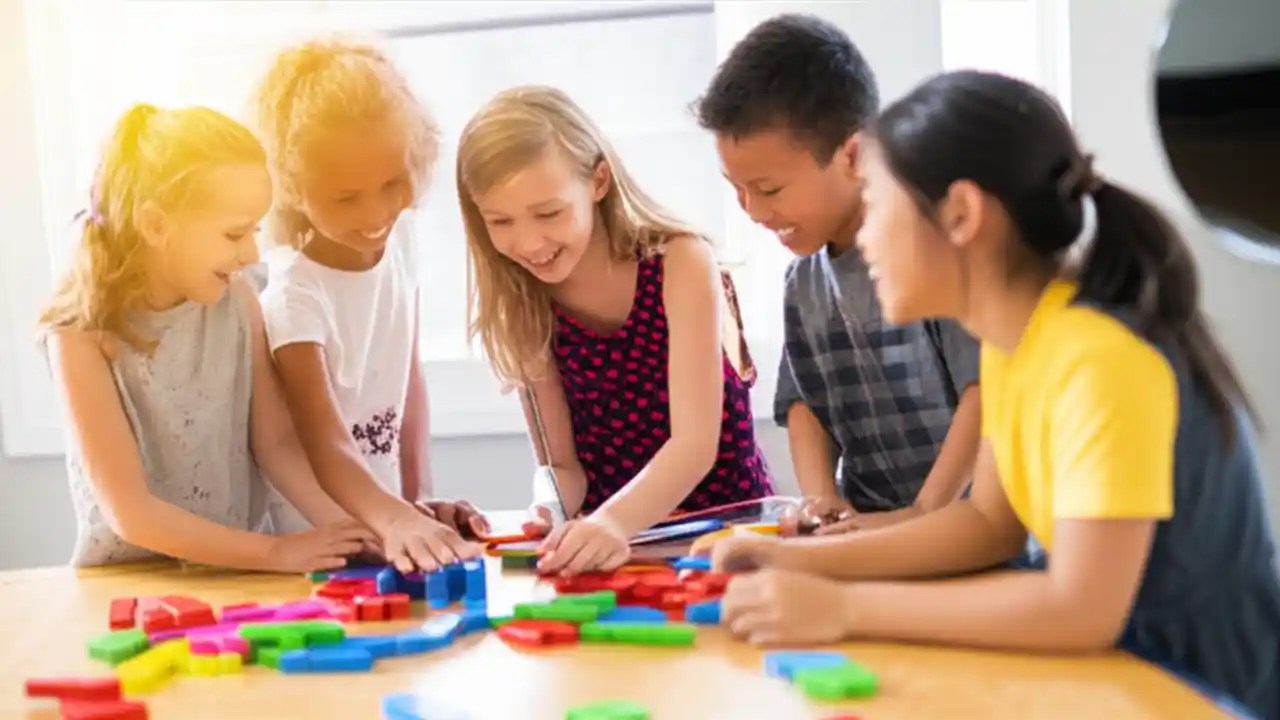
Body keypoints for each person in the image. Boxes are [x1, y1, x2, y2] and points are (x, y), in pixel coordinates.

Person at [712, 70, 1280, 720]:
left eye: (878, 205)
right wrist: (800, 559)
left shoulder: (1098, 355)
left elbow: (1080, 608)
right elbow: (987, 524)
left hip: (1201, 690)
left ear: (962, 214)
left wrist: (841, 606)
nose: (864, 238)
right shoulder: (1015, 342)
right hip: (1121, 674)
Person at [457, 85, 774, 574]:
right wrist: (548, 510)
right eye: (500, 221)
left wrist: (611, 522)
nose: (530, 242)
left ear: (599, 182)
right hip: (615, 558)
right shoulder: (524, 302)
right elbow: (563, 467)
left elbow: (694, 446)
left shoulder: (681, 262)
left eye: (549, 213)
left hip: (726, 544)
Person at [41, 103, 372, 571]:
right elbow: (129, 513)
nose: (252, 253)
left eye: (255, 230)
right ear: (156, 226)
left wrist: (348, 532)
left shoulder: (239, 301)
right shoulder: (80, 332)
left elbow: (276, 444)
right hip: (131, 581)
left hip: (238, 569)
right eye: (235, 234)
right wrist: (276, 552)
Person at [695, 15, 980, 533]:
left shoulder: (936, 255)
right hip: (868, 527)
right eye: (737, 189)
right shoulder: (802, 281)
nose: (753, 211)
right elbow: (804, 402)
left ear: (853, 155)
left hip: (965, 526)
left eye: (770, 189)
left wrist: (922, 514)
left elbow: (983, 397)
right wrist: (820, 498)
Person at [253, 37, 487, 573]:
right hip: (318, 540)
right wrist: (395, 520)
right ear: (291, 188)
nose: (377, 213)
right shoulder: (294, 297)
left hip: (386, 529)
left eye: (392, 183)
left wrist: (417, 501)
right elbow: (326, 445)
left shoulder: (401, 240)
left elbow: (408, 379)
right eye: (345, 198)